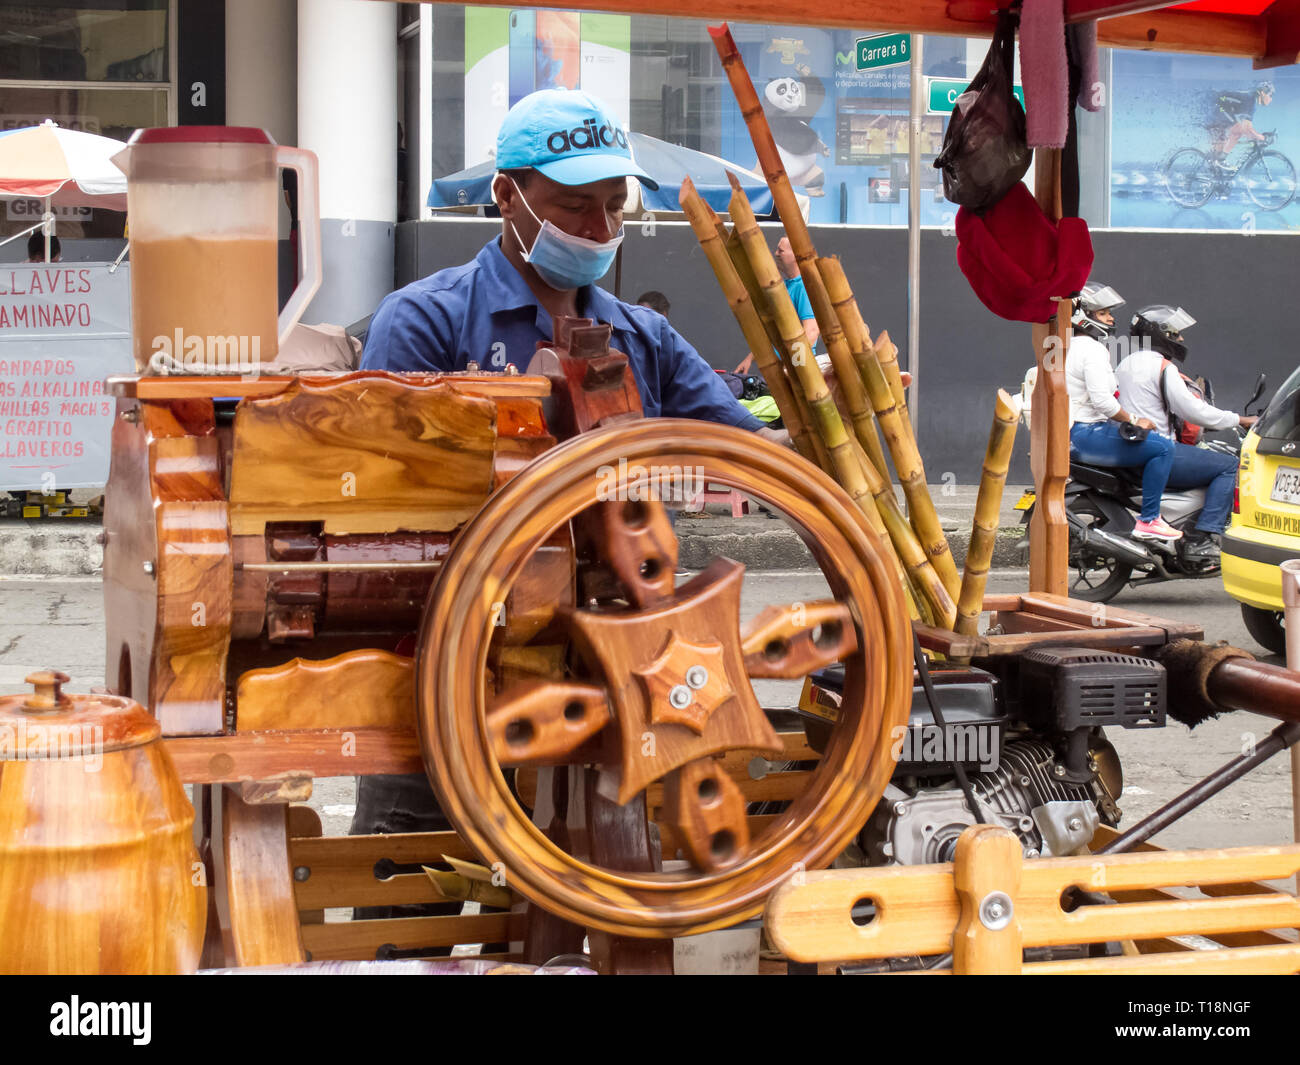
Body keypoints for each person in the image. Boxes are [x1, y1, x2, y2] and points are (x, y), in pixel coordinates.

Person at [362, 89, 783, 444]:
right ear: (507, 196)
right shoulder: (424, 322)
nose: (602, 229)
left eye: (615, 206)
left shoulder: (646, 339)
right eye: (575, 206)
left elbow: (758, 447)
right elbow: (386, 478)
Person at [1116, 305, 1258, 560]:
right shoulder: (1163, 367)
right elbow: (1193, 411)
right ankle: (1201, 538)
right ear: (1161, 335)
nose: (1181, 339)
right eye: (1176, 333)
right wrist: (1239, 419)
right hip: (1159, 450)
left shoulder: (1126, 363)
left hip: (1132, 449)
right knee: (1230, 466)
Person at [1065, 282, 1181, 543]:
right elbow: (1103, 402)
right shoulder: (1092, 349)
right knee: (1163, 448)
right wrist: (1135, 419)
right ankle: (1149, 520)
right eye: (1103, 313)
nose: (1110, 318)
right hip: (1085, 432)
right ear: (1083, 315)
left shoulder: (1067, 346)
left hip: (1073, 431)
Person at [1206, 81, 1274, 167]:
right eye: (1271, 95)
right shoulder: (1249, 100)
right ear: (1263, 93)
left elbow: (1248, 127)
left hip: (1217, 108)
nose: (1271, 99)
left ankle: (1215, 162)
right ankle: (1220, 161)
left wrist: (1257, 136)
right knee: (1237, 132)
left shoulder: (1251, 99)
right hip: (1218, 108)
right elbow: (1247, 129)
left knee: (1224, 142)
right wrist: (1263, 138)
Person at [773, 236, 819, 357]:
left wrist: (794, 363)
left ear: (795, 255)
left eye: (781, 251)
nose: (776, 254)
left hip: (796, 365)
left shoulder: (804, 287)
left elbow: (812, 331)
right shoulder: (787, 286)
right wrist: (750, 358)